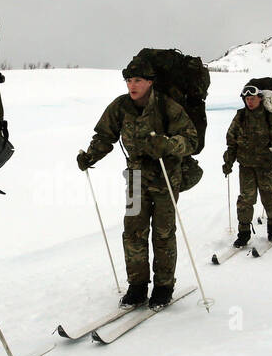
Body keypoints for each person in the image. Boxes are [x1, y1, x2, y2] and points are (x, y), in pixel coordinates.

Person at [77, 57, 197, 310]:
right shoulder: (120, 107)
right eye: (129, 80)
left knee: (163, 233)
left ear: (150, 82)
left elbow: (190, 140)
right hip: (136, 177)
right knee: (133, 231)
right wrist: (90, 156)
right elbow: (104, 136)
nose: (132, 85)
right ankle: (137, 286)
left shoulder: (167, 106)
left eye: (138, 80)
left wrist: (167, 144)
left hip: (165, 176)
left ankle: (163, 286)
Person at [223, 83, 272, 246]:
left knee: (269, 197)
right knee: (246, 199)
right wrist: (228, 161)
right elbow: (231, 140)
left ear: (259, 98)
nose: (249, 102)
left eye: (252, 99)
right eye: (247, 99)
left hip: (265, 166)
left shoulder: (269, 116)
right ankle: (243, 233)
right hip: (246, 166)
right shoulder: (240, 116)